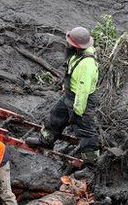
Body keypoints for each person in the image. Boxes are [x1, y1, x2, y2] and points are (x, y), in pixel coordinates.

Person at [26, 26, 101, 165]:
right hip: (70, 94)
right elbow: (73, 73)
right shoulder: (77, 54)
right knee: (55, 115)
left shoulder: (87, 63)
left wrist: (77, 111)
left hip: (81, 100)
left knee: (86, 131)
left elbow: (83, 89)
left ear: (75, 45)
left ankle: (90, 165)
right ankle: (46, 141)